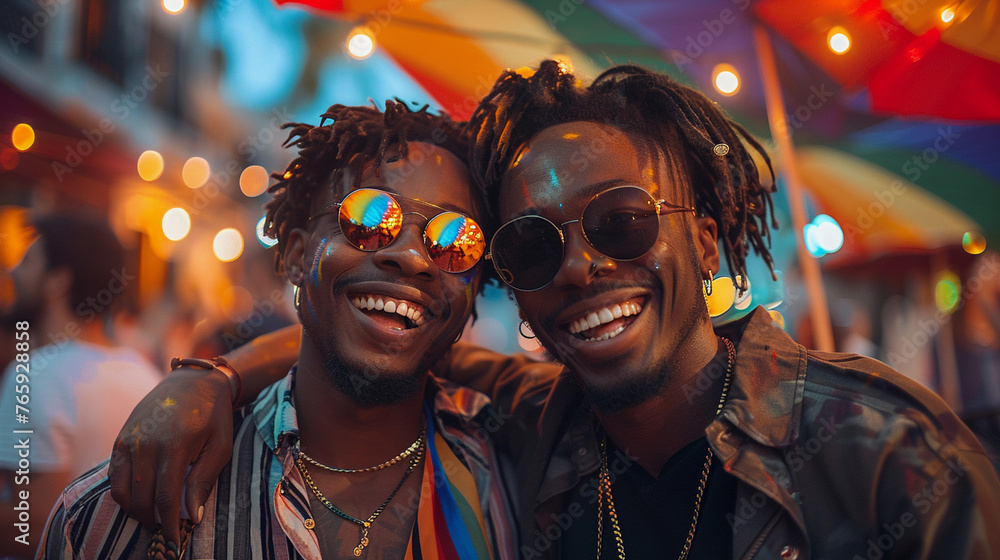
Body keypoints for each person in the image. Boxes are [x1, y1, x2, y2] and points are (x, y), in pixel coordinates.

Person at [108, 62, 1000, 559]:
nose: (581, 268)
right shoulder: (539, 430)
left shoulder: (881, 452)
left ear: (713, 233)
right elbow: (394, 341)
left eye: (622, 223)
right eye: (535, 246)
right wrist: (210, 379)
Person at [36, 102, 517, 560]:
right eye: (370, 217)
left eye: (457, 240)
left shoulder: (513, 472)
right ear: (293, 254)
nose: (413, 257)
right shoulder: (114, 518)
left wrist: (220, 375)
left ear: (474, 287)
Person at [0, 214, 162, 559]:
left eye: (28, 262)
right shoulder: (147, 376)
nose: (12, 272)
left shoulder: (33, 377)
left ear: (58, 281)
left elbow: (35, 530)